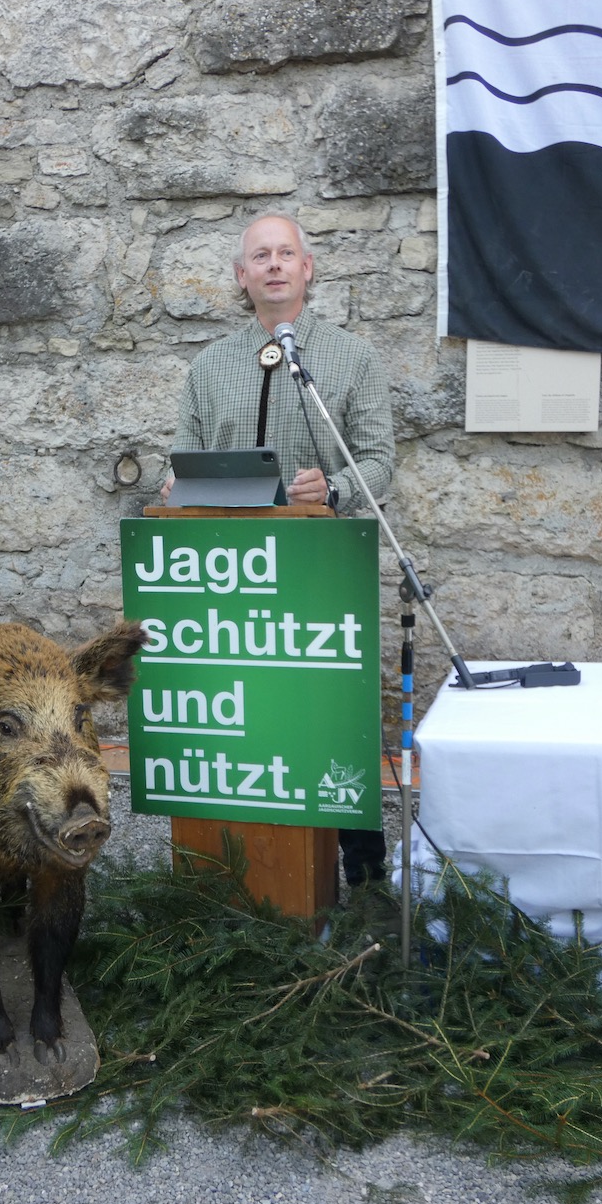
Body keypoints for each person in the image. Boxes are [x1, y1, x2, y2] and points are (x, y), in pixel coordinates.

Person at [163, 212, 396, 912]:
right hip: (228, 580)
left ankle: (365, 874)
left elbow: (380, 462)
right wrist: (174, 490)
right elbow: (182, 461)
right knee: (244, 711)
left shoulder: (352, 358)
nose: (273, 265)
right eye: (260, 256)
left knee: (333, 714)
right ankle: (233, 875)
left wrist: (335, 488)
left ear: (307, 268)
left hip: (317, 573)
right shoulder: (208, 366)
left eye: (285, 254)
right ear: (241, 276)